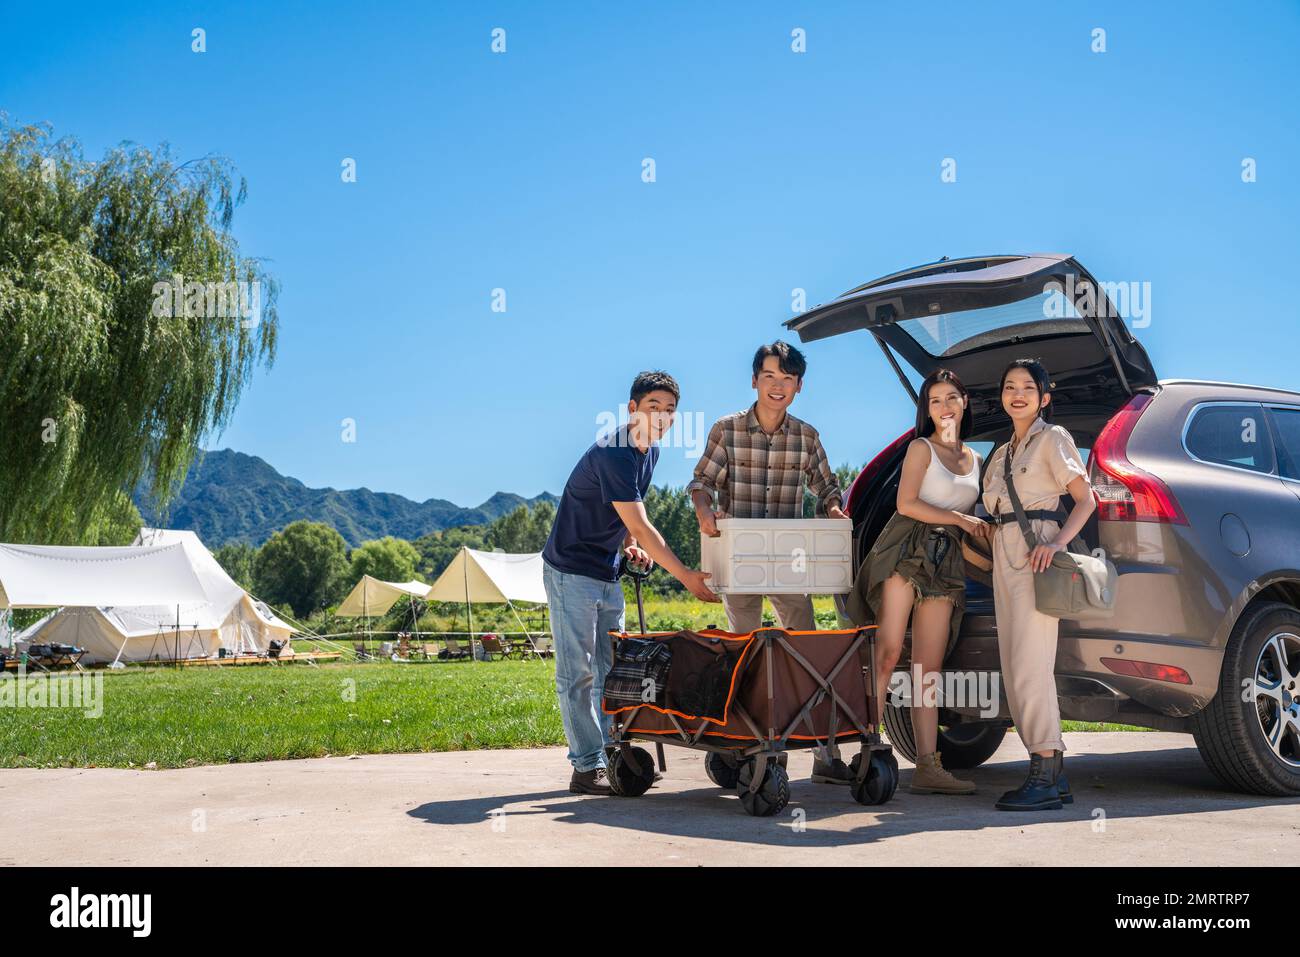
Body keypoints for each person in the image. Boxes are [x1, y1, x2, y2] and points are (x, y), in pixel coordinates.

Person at [542, 370, 719, 796]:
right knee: (577, 674)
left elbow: (623, 519)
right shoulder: (616, 452)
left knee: (613, 670)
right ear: (633, 409)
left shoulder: (648, 452)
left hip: (606, 570)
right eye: (653, 407)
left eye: (670, 410)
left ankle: (614, 754)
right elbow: (641, 523)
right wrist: (685, 577)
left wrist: (625, 546)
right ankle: (586, 767)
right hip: (570, 572)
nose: (662, 417)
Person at [688, 340, 851, 784]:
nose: (777, 386)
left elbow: (828, 488)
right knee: (744, 653)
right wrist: (704, 511)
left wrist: (834, 509)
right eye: (769, 377)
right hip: (738, 559)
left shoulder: (807, 436)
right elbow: (700, 483)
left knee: (806, 655)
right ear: (755, 380)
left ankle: (825, 755)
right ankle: (747, 747)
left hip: (788, 562)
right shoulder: (727, 429)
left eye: (787, 379)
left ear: (799, 385)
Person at [847, 369, 987, 795]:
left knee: (929, 667)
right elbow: (907, 503)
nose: (943, 407)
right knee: (888, 651)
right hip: (907, 549)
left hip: (947, 562)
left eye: (950, 397)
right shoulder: (919, 448)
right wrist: (961, 517)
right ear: (927, 410)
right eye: (934, 401)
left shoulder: (976, 460)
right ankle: (867, 745)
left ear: (965, 401)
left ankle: (928, 766)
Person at [982, 358, 1096, 811]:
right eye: (1010, 386)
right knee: (1014, 666)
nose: (1018, 394)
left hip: (1037, 555)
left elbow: (1086, 498)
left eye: (1028, 387)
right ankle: (1055, 776)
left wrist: (1059, 544)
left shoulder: (1053, 438)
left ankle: (1045, 771)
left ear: (1044, 397)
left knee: (1030, 666)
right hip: (1002, 556)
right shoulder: (1001, 452)